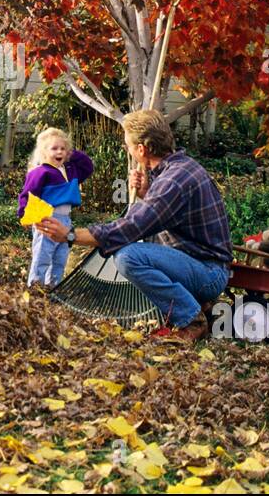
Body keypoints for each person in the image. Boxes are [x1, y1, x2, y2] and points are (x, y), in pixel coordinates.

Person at [36, 109, 231, 343]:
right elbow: (165, 216)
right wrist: (146, 193)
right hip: (197, 263)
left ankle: (191, 319)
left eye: (128, 145)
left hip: (208, 273)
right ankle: (196, 304)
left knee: (129, 256)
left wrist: (69, 235)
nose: (126, 149)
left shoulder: (173, 180)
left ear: (142, 149)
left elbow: (131, 227)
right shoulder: (177, 168)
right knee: (139, 246)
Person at [18, 127, 93, 289]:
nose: (59, 151)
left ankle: (52, 287)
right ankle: (35, 288)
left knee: (60, 257)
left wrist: (71, 152)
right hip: (47, 219)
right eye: (54, 148)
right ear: (44, 152)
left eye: (63, 148)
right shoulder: (40, 171)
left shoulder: (70, 170)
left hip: (66, 219)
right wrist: (24, 213)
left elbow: (88, 167)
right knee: (43, 255)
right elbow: (28, 194)